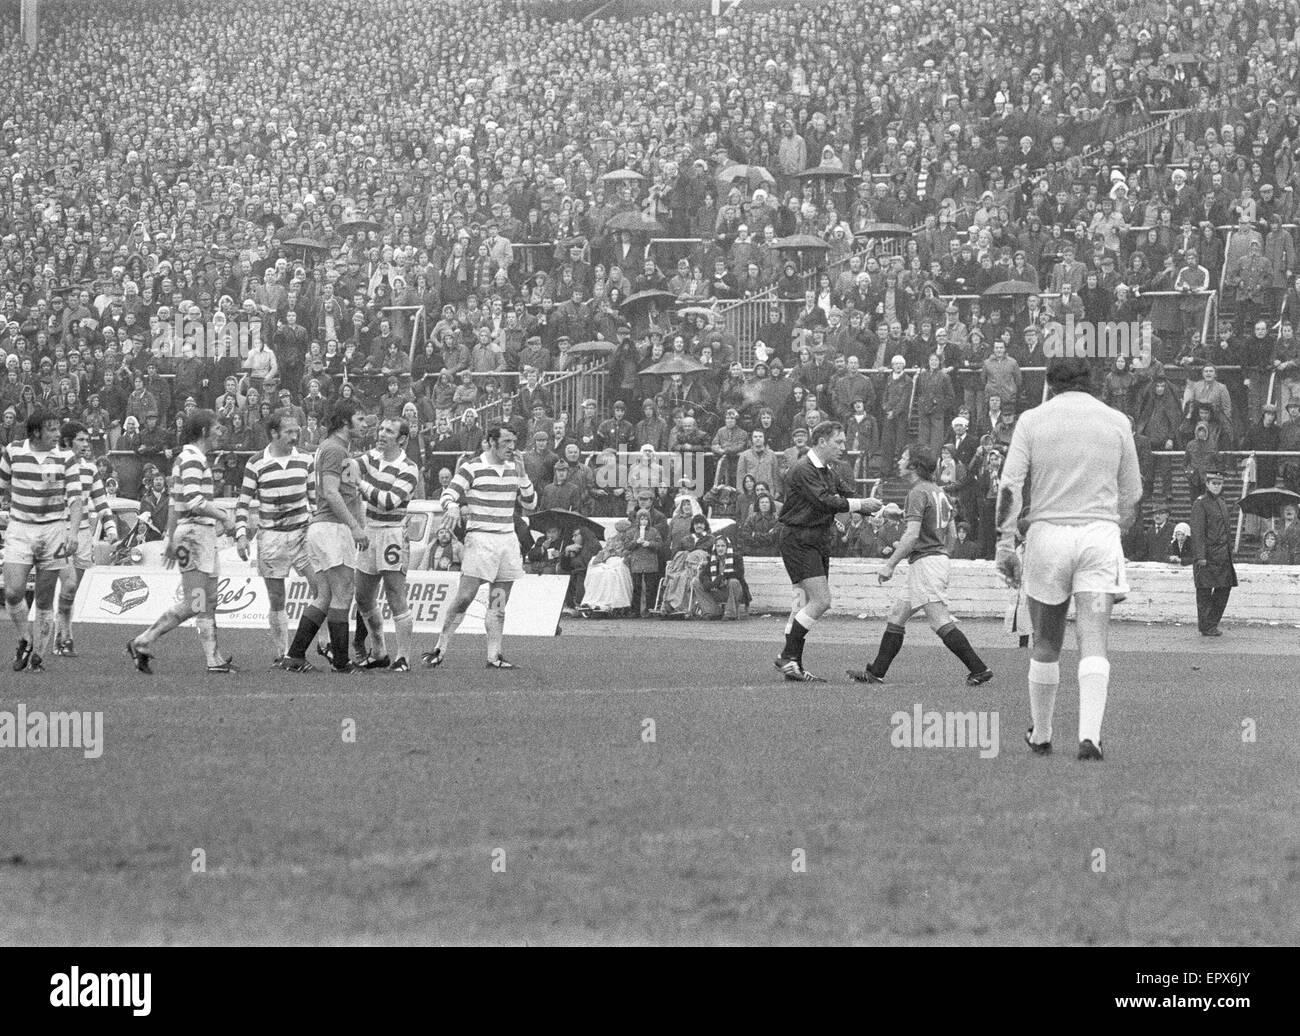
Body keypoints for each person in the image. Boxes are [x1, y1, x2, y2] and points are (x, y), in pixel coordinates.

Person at [995, 357, 1142, 762]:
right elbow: (1133, 495)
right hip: (1098, 534)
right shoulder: (1116, 420)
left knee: (1045, 641)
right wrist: (1114, 534)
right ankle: (1090, 736)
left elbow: (1010, 486)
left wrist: (1005, 545)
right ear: (1090, 382)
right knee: (1094, 639)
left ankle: (1042, 734)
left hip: (1048, 537)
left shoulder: (1032, 420)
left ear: (1050, 383)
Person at [849, 446, 992, 686]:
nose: (899, 461)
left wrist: (890, 564)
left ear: (914, 466)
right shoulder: (937, 491)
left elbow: (912, 535)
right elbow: (952, 535)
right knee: (897, 615)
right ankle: (876, 672)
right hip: (933, 560)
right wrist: (902, 516)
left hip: (926, 563)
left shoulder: (917, 492)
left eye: (904, 458)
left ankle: (979, 669)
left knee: (939, 620)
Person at [127, 410, 235, 674]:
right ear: (203, 431)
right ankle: (143, 641)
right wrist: (225, 517)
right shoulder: (191, 460)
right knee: (197, 601)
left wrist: (170, 536)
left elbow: (176, 503)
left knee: (207, 598)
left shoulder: (189, 459)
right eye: (216, 427)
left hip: (197, 534)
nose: (220, 431)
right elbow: (194, 501)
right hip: (195, 533)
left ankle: (214, 659)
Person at [773, 420, 882, 682]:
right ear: (822, 441)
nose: (844, 447)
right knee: (821, 601)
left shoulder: (827, 470)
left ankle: (793, 665)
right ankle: (788, 656)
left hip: (816, 538)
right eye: (839, 442)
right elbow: (825, 501)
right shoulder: (803, 469)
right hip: (800, 539)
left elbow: (848, 495)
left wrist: (881, 508)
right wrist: (860, 504)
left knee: (802, 602)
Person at [422, 424, 537, 669]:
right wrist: (452, 507)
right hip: (480, 539)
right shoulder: (472, 466)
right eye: (506, 441)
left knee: (498, 601)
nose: (511, 447)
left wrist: (524, 475)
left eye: (513, 441)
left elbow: (530, 503)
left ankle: (493, 655)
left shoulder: (515, 468)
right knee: (464, 597)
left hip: (507, 540)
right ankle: (440, 647)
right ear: (491, 442)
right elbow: (448, 495)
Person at [282, 400, 370, 673]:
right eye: (360, 419)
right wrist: (355, 526)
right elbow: (331, 492)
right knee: (343, 594)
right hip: (333, 528)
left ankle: (295, 655)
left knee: (325, 595)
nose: (365, 424)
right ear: (345, 422)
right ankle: (341, 662)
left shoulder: (331, 448)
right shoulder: (335, 449)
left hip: (322, 528)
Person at [0, 410, 85, 672]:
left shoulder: (66, 458)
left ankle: (38, 656)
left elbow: (75, 499)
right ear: (36, 432)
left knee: (44, 598)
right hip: (20, 529)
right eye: (51, 429)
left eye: (58, 429)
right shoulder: (13, 452)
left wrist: (72, 533)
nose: (57, 434)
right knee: (13, 591)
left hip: (54, 531)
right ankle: (25, 638)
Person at [235, 413, 318, 666]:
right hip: (271, 537)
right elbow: (243, 501)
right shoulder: (256, 463)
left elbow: (314, 502)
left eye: (297, 431)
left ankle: (324, 642)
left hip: (303, 534)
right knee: (277, 598)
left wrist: (318, 529)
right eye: (289, 432)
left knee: (321, 589)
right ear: (273, 434)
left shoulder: (306, 459)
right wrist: (240, 534)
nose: (295, 436)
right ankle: (283, 653)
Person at [353, 417, 421, 670]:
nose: (382, 434)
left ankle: (403, 657)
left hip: (392, 532)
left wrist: (358, 483)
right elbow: (349, 464)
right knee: (362, 596)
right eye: (381, 429)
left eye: (389, 431)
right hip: (370, 530)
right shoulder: (371, 457)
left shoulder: (409, 467)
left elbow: (389, 500)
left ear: (402, 439)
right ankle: (379, 651)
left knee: (395, 594)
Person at [51, 421, 113, 657]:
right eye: (81, 439)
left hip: (85, 534)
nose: (86, 444)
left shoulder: (90, 468)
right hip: (60, 530)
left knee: (73, 588)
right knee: (65, 585)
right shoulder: (55, 464)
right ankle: (63, 638)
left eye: (87, 440)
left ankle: (63, 635)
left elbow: (100, 500)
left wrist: (110, 528)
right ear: (67, 441)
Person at [1189, 469, 1237, 637]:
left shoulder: (1222, 503)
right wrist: (1200, 556)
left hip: (1223, 556)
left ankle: (1211, 623)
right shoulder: (1200, 503)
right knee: (1204, 591)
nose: (1217, 486)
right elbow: (1197, 531)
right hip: (1208, 556)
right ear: (1207, 484)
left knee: (1224, 589)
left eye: (1219, 483)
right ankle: (1206, 626)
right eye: (1214, 483)